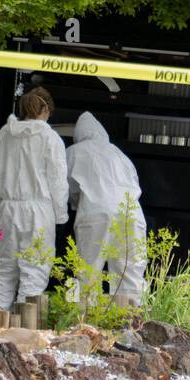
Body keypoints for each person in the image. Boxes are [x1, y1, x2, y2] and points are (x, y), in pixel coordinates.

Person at [0, 86, 69, 311]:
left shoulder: (5, 133)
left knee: (4, 271)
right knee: (34, 273)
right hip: (38, 211)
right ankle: (22, 333)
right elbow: (58, 182)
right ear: (46, 109)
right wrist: (61, 216)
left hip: (7, 209)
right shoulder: (50, 138)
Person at [66, 111, 146, 303]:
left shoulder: (75, 151)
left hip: (95, 213)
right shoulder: (119, 153)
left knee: (89, 271)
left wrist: (75, 204)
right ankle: (129, 324)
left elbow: (67, 187)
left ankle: (85, 323)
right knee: (129, 273)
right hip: (131, 214)